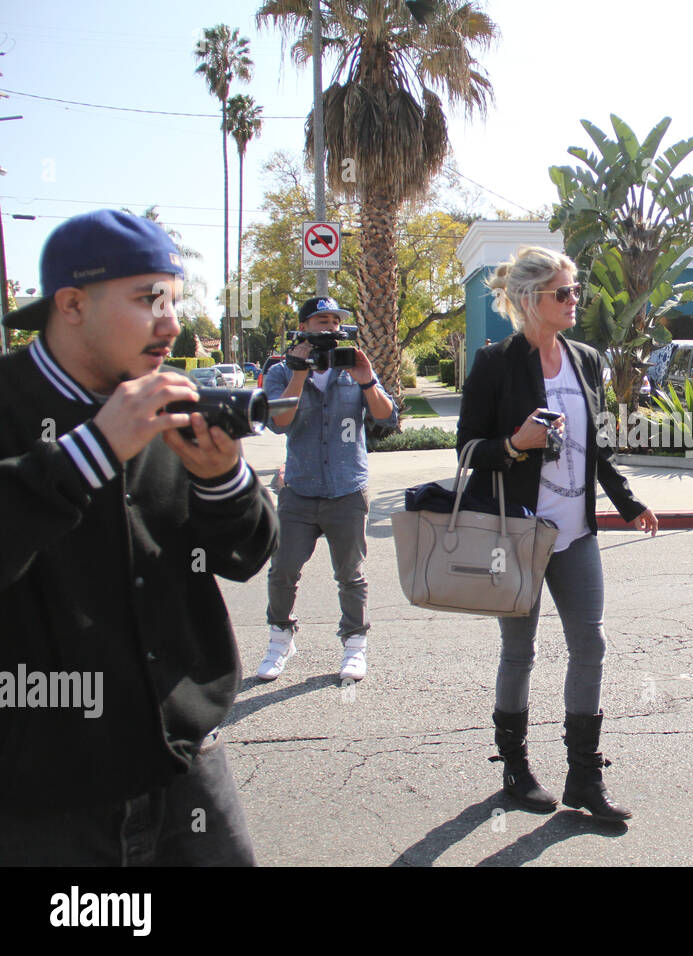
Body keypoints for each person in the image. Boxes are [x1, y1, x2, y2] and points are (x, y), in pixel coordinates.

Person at [0, 209, 278, 865]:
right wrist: (92, 450)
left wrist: (221, 480)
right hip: (45, 801)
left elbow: (244, 556)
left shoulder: (164, 399)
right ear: (72, 304)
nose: (173, 322)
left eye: (174, 300)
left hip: (188, 771)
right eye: (148, 298)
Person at [459, 246, 658, 822]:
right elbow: (468, 449)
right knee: (519, 651)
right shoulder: (495, 363)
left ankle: (584, 777)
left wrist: (628, 501)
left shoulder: (586, 359)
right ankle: (516, 769)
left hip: (576, 533)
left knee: (590, 645)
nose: (575, 302)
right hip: (518, 534)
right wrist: (515, 444)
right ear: (529, 300)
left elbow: (598, 448)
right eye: (563, 294)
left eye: (576, 292)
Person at [259, 297, 398, 682]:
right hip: (300, 490)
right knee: (283, 570)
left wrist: (367, 379)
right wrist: (299, 372)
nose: (330, 328)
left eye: (336, 321)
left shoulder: (351, 367)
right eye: (322, 321)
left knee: (351, 575)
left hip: (346, 490)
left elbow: (386, 417)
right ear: (303, 327)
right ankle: (280, 639)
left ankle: (354, 646)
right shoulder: (280, 371)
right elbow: (280, 423)